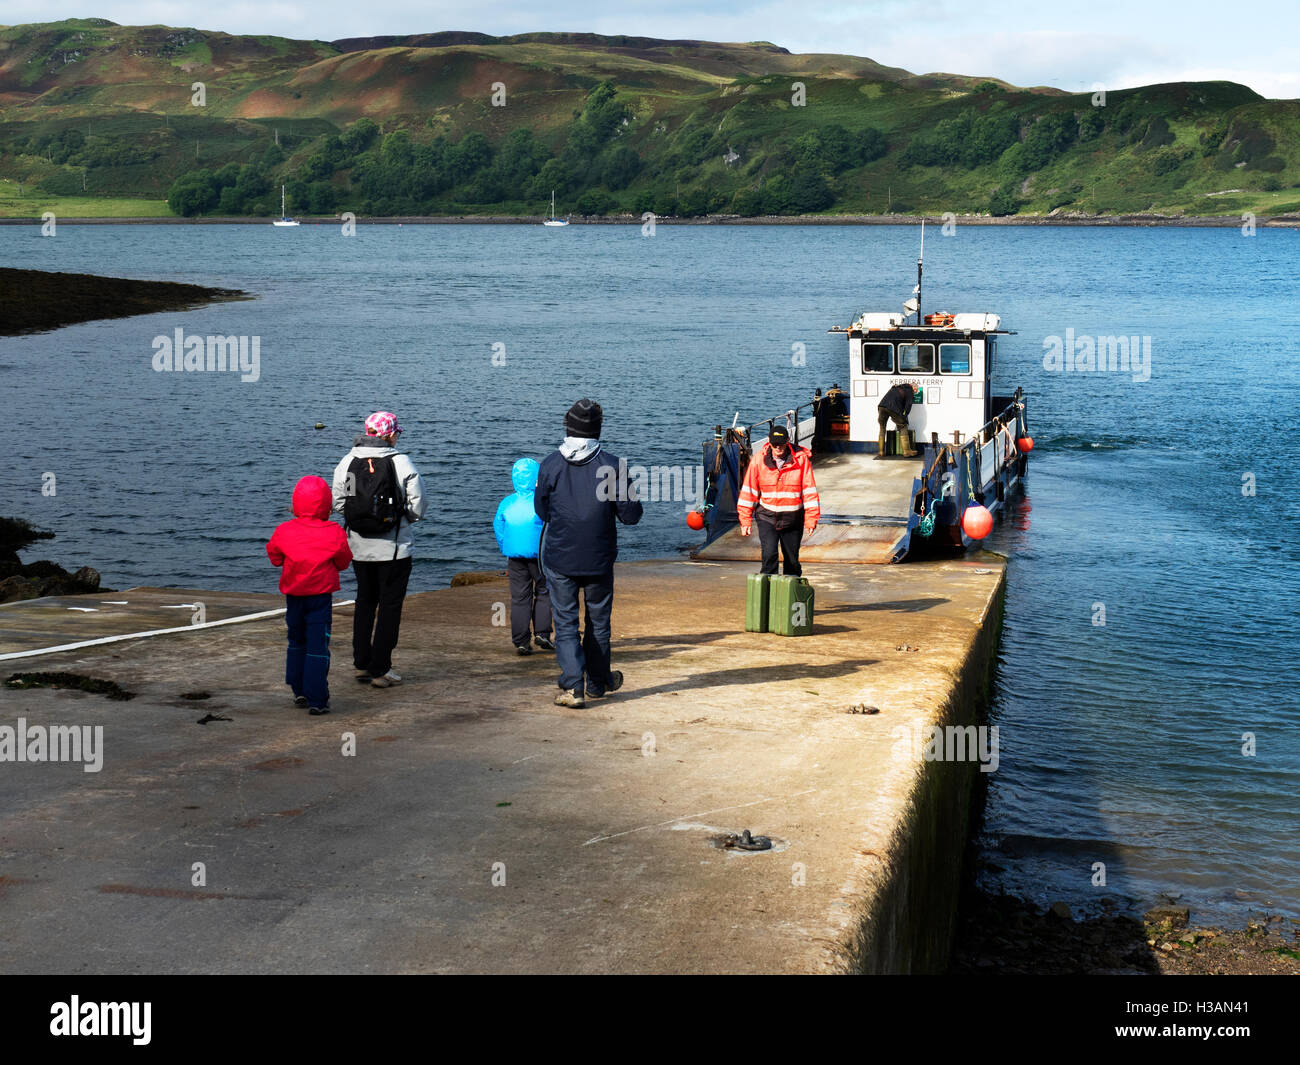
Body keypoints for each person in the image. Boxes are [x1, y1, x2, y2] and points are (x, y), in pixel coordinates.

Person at [535, 398, 642, 708]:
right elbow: (631, 515)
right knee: (598, 622)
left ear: (568, 428)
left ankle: (573, 686)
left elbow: (541, 510)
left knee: (566, 623)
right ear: (597, 431)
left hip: (560, 558)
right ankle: (596, 683)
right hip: (598, 558)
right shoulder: (612, 465)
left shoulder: (551, 464)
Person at [331, 411, 426, 689]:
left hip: (359, 548)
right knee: (389, 607)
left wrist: (360, 521)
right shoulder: (401, 462)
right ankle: (381, 668)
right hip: (394, 548)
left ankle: (361, 662)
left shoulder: (348, 462)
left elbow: (341, 501)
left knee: (364, 601)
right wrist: (404, 519)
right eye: (397, 432)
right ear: (389, 434)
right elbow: (417, 503)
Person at [266, 476, 353, 715]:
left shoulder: (284, 530)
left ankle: (299, 689)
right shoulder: (334, 531)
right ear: (327, 503)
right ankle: (317, 698)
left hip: (294, 596)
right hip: (320, 597)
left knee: (296, 642)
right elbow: (344, 562)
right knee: (318, 646)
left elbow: (274, 557)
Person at [737, 424, 820, 576]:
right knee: (769, 557)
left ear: (787, 441)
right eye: (774, 444)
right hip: (767, 517)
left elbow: (809, 491)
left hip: (793, 518)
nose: (778, 447)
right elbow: (748, 492)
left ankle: (792, 596)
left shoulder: (801, 461)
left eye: (781, 444)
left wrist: (811, 519)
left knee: (792, 561)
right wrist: (745, 520)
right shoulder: (758, 461)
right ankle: (767, 595)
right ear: (769, 442)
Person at [494, 457, 554, 656]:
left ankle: (521, 640)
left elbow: (498, 527)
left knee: (520, 598)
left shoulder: (507, 502)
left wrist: (506, 547)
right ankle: (542, 633)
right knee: (544, 592)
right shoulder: (544, 501)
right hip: (540, 557)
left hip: (515, 557)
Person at [877, 383, 919, 458]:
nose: (915, 391)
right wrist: (904, 416)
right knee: (903, 426)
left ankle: (881, 452)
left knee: (882, 427)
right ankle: (906, 451)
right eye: (916, 390)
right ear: (913, 387)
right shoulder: (909, 390)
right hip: (892, 408)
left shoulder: (896, 387)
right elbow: (908, 405)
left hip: (881, 406)